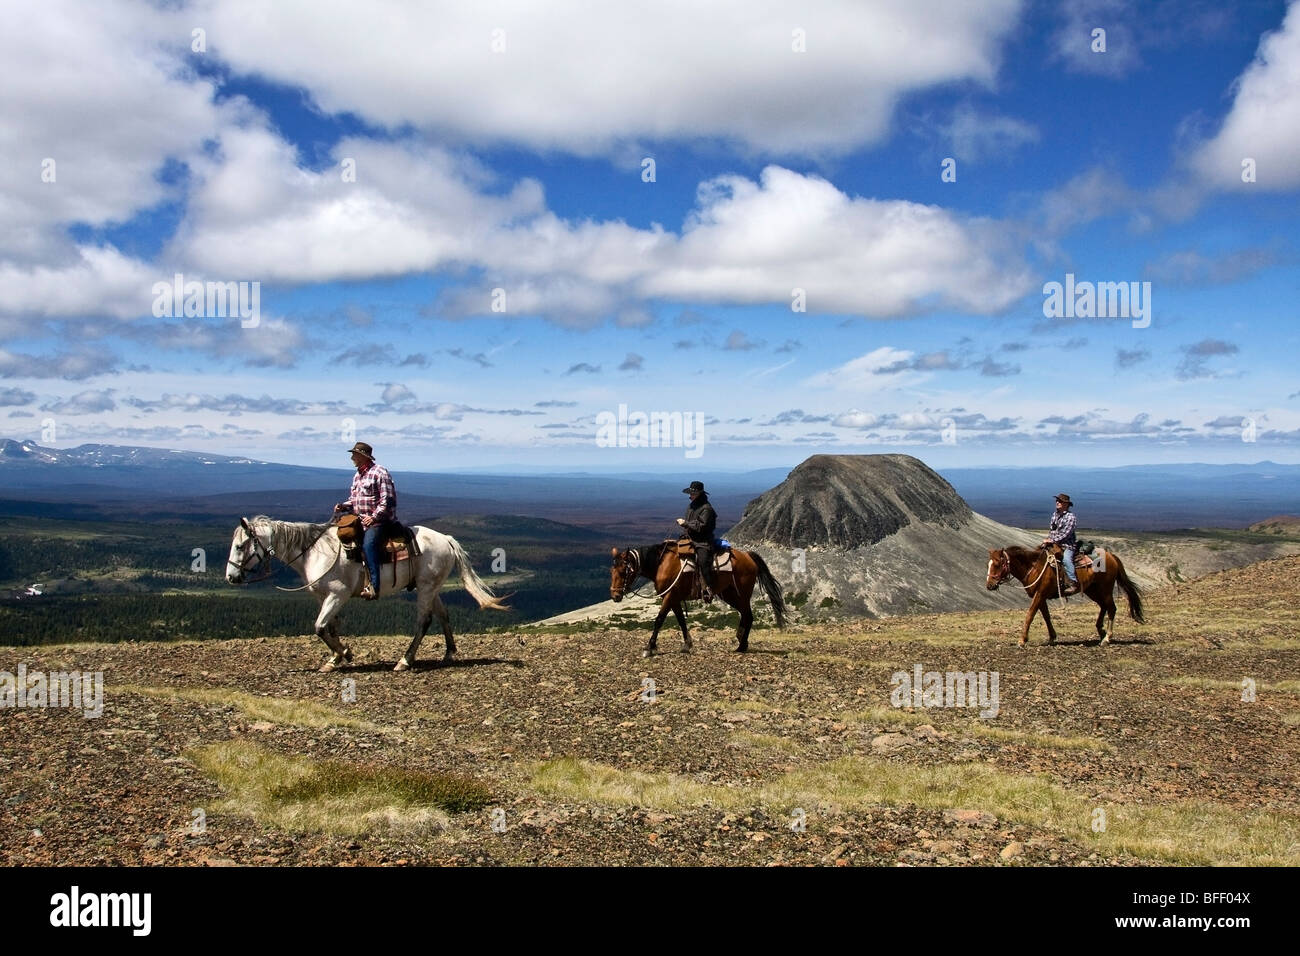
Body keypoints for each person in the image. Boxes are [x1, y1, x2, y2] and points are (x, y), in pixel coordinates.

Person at [334, 442, 398, 600]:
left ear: (363, 456)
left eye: (354, 455)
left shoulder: (380, 472)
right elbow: (355, 500)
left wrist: (374, 517)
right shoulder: (358, 475)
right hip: (360, 520)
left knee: (368, 545)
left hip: (379, 522)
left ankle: (374, 587)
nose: (352, 458)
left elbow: (388, 500)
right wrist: (343, 506)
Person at [676, 480, 718, 603]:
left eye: (693, 493)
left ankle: (708, 588)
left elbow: (702, 526)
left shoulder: (707, 509)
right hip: (690, 538)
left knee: (703, 561)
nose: (690, 496)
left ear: (700, 493)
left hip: (703, 541)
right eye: (690, 493)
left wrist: (685, 523)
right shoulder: (692, 506)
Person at [1042, 492, 1080, 596]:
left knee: (1066, 560)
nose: (1057, 502)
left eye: (1060, 501)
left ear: (1066, 504)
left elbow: (1066, 534)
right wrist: (1049, 539)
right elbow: (1052, 530)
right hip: (1054, 543)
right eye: (1057, 501)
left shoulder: (1071, 517)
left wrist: (1052, 540)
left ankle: (1073, 583)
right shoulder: (1055, 515)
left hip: (1067, 545)